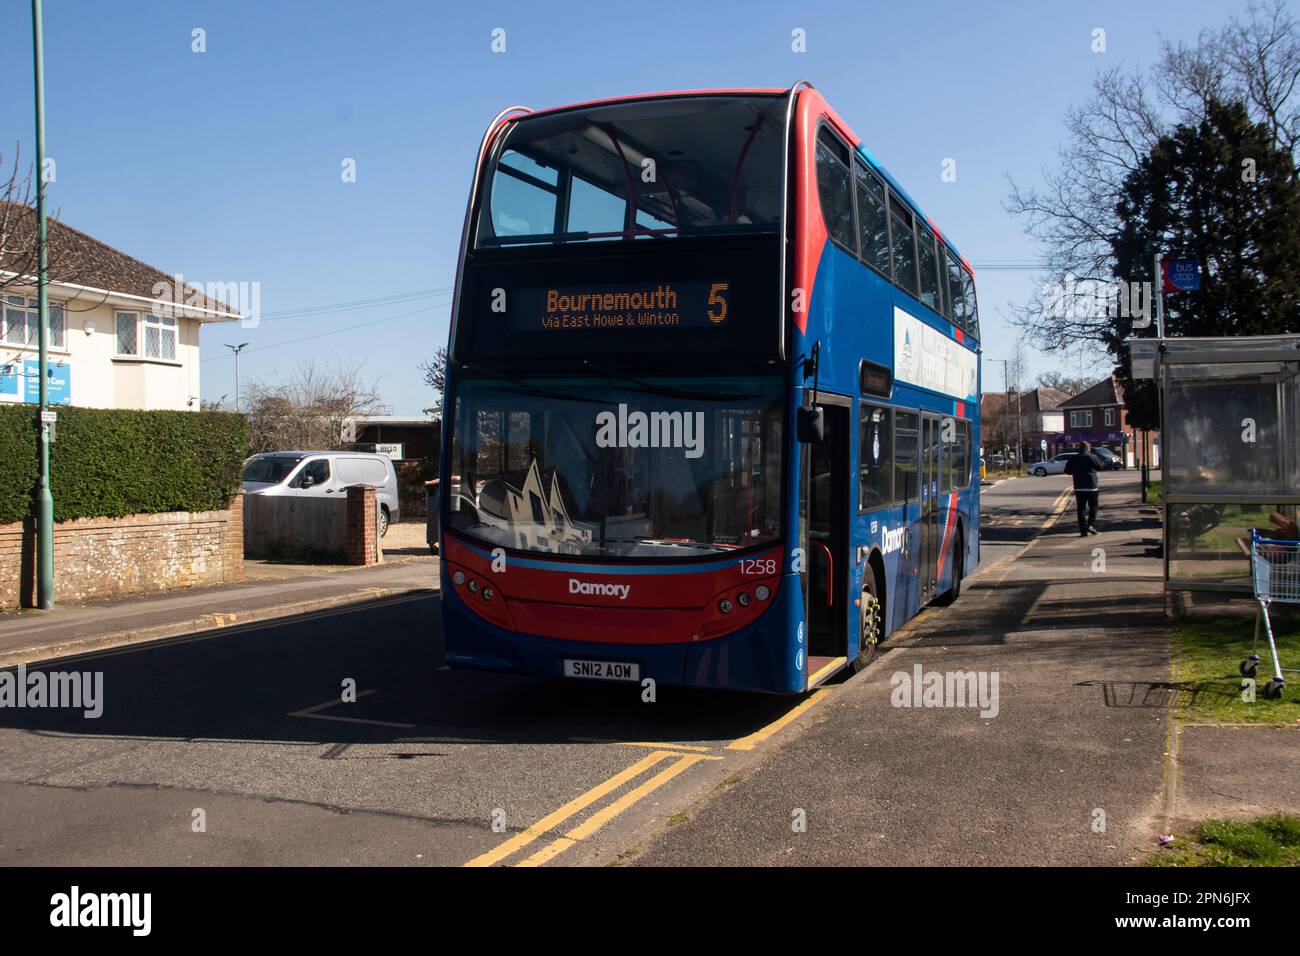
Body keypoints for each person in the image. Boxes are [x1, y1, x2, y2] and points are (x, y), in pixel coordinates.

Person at [1064, 442, 1101, 536]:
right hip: (1092, 486)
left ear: (1079, 449)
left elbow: (1067, 471)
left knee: (1081, 509)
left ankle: (1083, 531)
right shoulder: (1093, 457)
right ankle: (1091, 525)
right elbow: (1101, 467)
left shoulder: (1073, 458)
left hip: (1079, 487)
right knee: (1094, 506)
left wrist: (1076, 471)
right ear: (1088, 448)